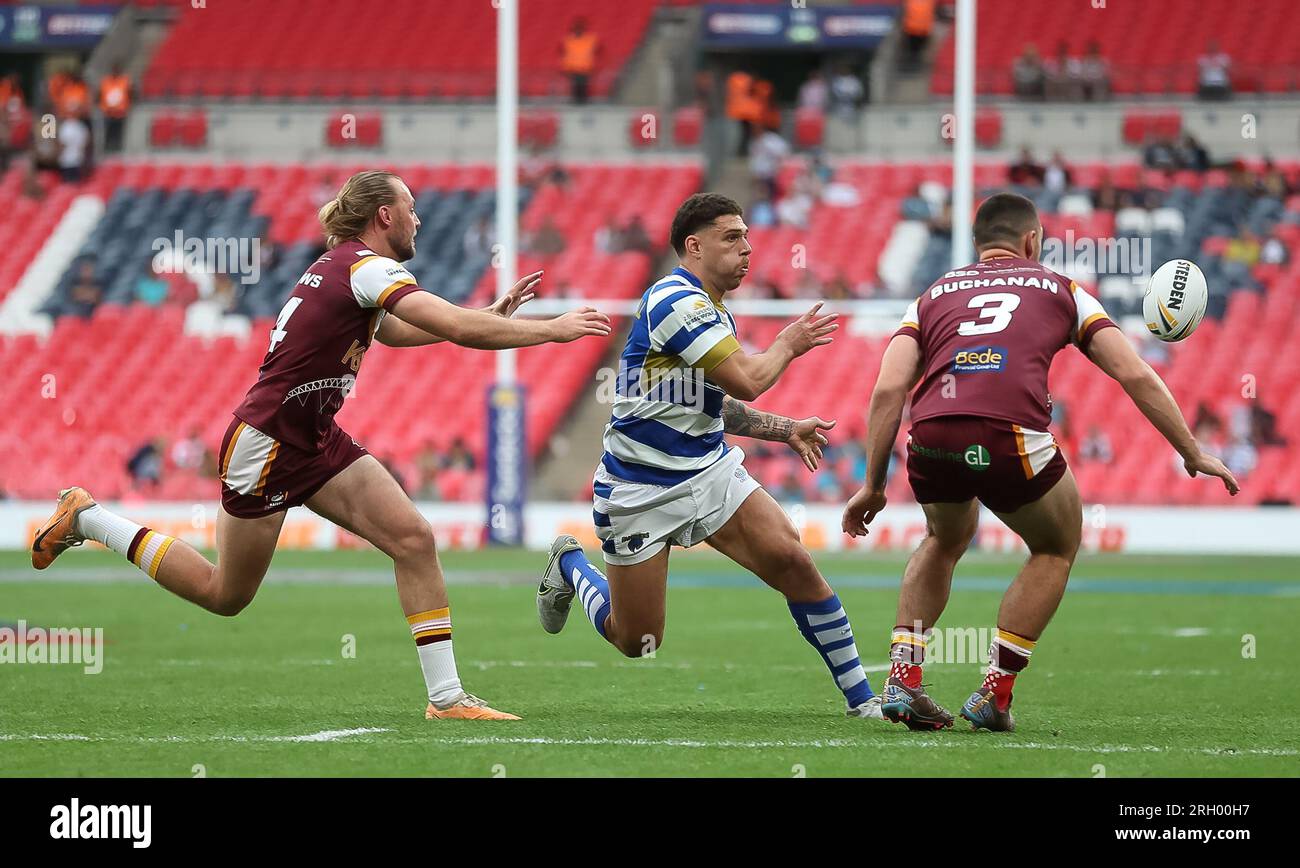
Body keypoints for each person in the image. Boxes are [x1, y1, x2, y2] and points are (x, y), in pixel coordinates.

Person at [31, 170, 612, 723]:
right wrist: (551, 329)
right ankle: (90, 518)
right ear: (384, 216)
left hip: (314, 438)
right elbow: (452, 328)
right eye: (411, 209)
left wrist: (485, 315)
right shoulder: (366, 268)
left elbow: (399, 329)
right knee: (224, 594)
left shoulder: (343, 268)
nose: (419, 220)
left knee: (412, 539)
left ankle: (447, 697)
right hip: (268, 443)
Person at [842, 193, 1238, 732]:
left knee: (942, 539)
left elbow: (889, 387)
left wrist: (872, 484)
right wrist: (1190, 451)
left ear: (979, 243)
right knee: (1055, 546)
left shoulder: (931, 295)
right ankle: (993, 694)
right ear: (1032, 241)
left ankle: (903, 680)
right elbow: (1134, 373)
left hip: (932, 432)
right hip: (1008, 433)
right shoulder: (1061, 288)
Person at [534, 193, 888, 722]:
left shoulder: (712, 309)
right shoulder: (676, 301)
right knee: (638, 640)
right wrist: (789, 343)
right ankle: (569, 563)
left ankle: (864, 701)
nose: (747, 249)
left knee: (793, 562)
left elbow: (711, 400)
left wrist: (787, 429)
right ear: (694, 246)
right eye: (732, 237)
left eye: (747, 236)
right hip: (639, 488)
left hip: (707, 470)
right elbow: (747, 379)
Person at [559, 18, 600, 105]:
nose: (578, 31)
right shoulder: (568, 40)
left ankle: (583, 103)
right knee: (575, 87)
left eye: (579, 29)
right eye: (576, 29)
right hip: (573, 68)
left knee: (583, 87)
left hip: (586, 68)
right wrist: (565, 67)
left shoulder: (590, 40)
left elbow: (597, 51)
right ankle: (576, 103)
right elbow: (564, 55)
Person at [98, 64, 132, 154]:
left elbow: (130, 93)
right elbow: (100, 94)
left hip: (121, 112)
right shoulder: (106, 81)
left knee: (119, 133)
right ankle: (107, 149)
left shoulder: (124, 81)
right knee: (108, 133)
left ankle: (118, 150)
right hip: (108, 112)